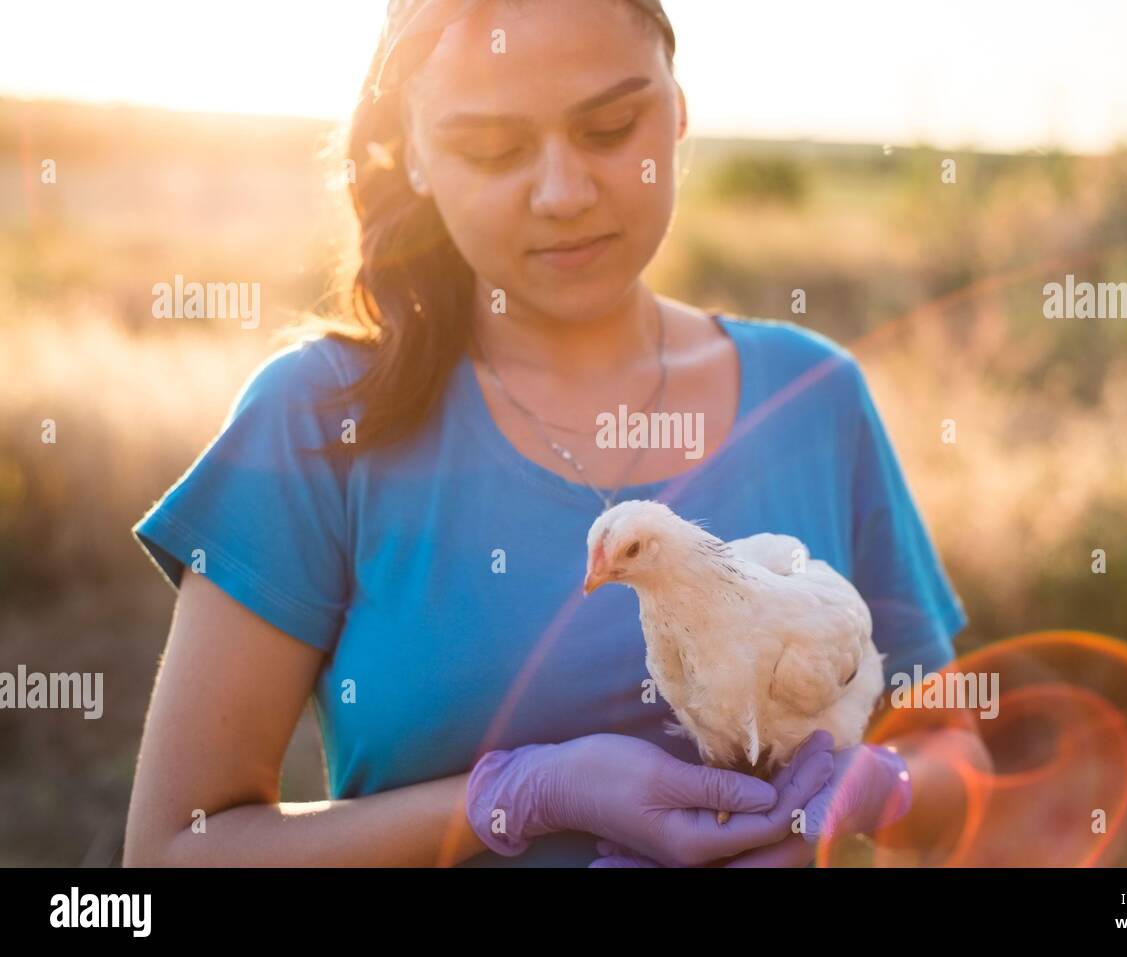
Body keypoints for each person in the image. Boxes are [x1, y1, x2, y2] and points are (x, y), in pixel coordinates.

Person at [123, 0, 989, 868]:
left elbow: (957, 759)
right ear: (413, 153)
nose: (563, 194)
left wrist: (882, 788)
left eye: (611, 128)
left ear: (678, 112)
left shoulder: (813, 396)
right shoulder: (316, 421)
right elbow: (169, 855)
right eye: (492, 149)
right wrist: (512, 799)